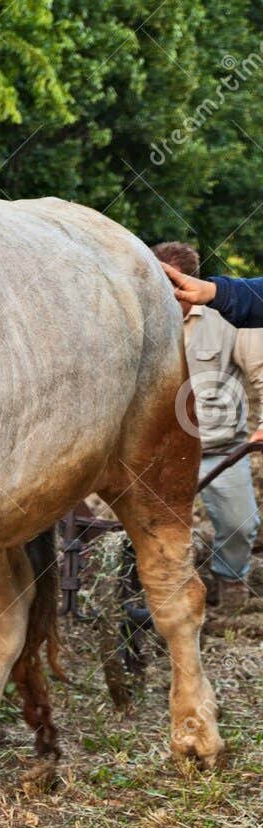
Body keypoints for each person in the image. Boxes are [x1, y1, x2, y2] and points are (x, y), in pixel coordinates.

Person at [155, 243, 263, 611]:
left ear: (187, 283)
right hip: (154, 455)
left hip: (218, 449)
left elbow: (262, 372)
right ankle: (160, 592)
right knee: (153, 531)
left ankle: (230, 583)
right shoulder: (135, 321)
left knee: (240, 524)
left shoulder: (229, 316)